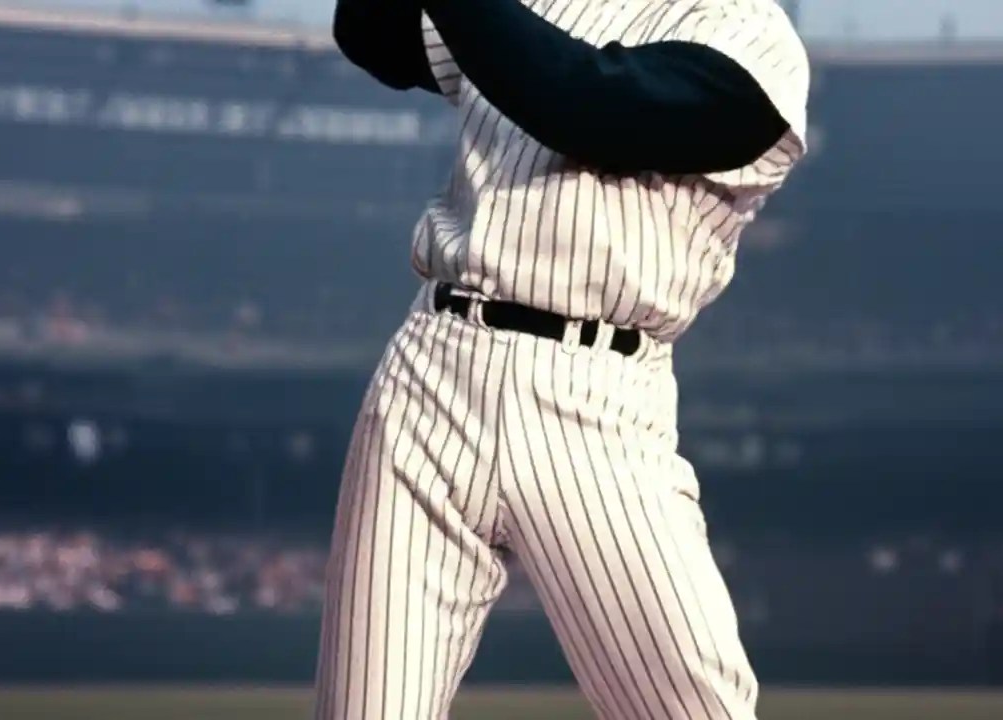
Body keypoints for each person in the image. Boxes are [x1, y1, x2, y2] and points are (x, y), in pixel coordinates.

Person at [314, 0, 809, 717]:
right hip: (432, 366)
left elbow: (585, 99)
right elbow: (372, 34)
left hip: (593, 403)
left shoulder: (755, 45)